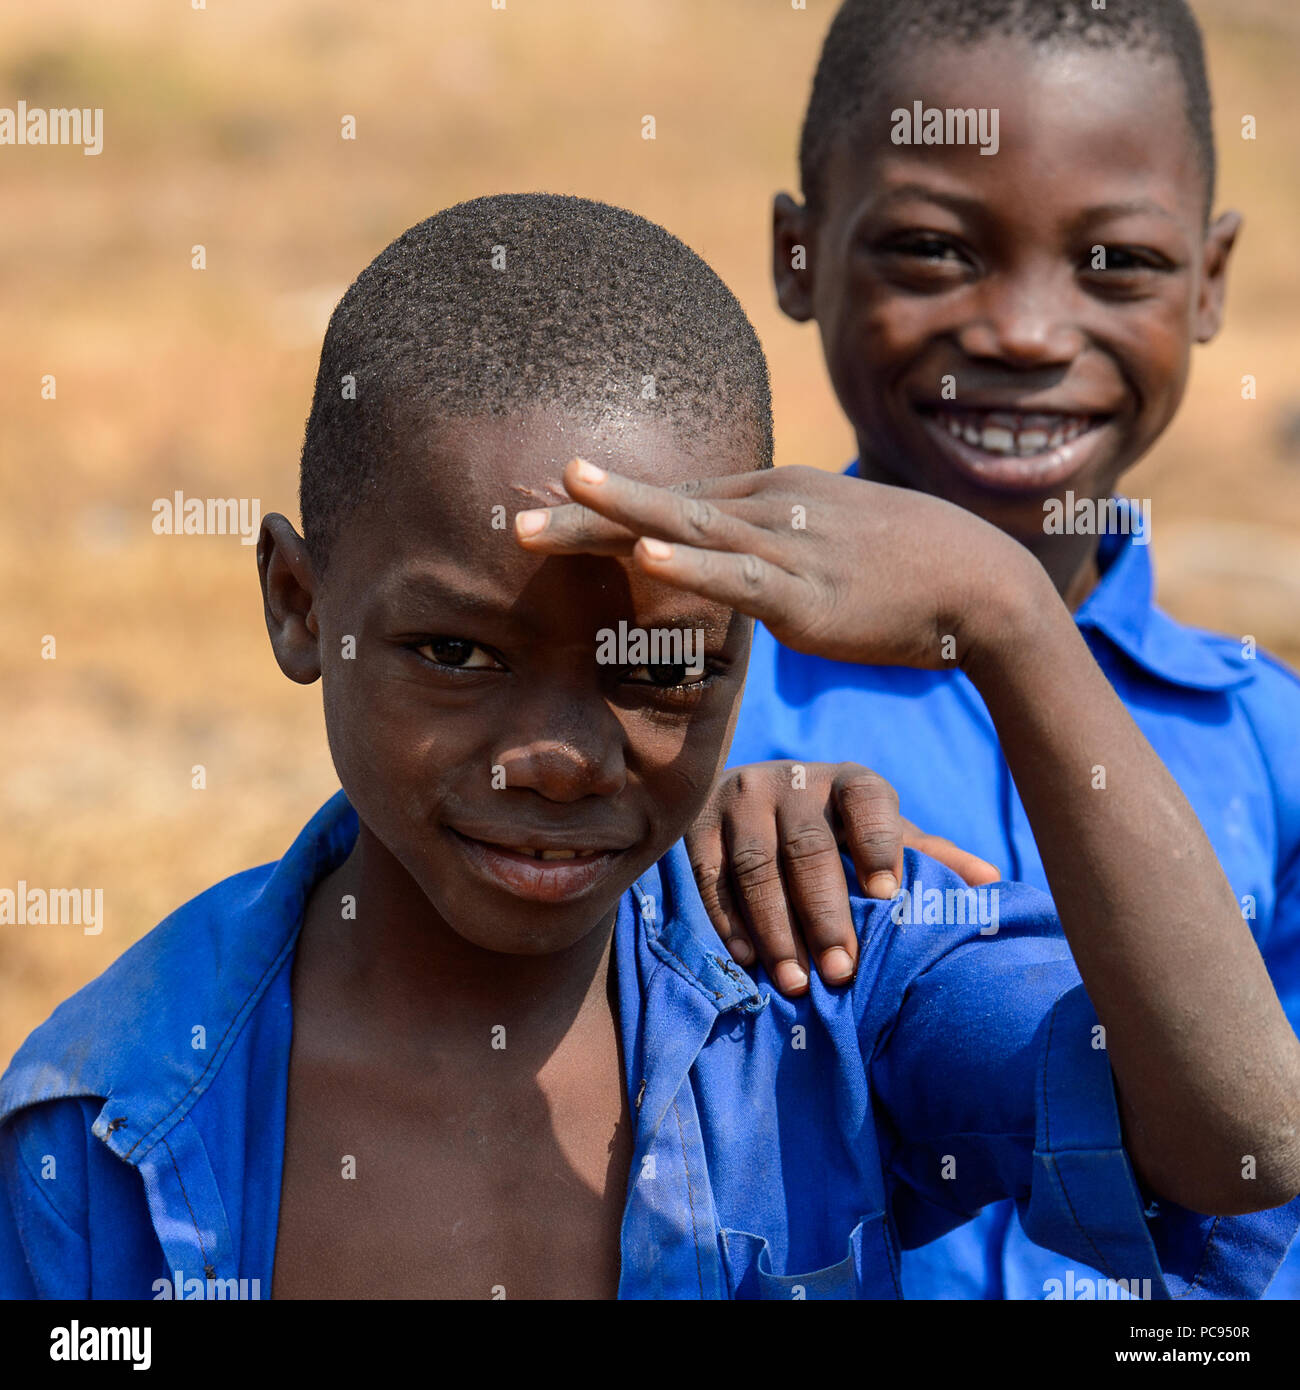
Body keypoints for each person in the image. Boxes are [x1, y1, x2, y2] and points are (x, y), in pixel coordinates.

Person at [3, 194, 1297, 1301]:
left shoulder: (830, 991)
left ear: (748, 647)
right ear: (297, 602)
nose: (562, 756)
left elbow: (1244, 1149)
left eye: (664, 669)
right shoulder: (110, 1125)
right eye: (457, 654)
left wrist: (1013, 622)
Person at [657, 0, 1300, 1299]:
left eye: (1116, 262)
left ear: (1213, 282)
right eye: (934, 249)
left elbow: (1266, 1176)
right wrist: (664, 846)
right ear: (799, 253)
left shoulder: (1272, 745)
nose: (1023, 330)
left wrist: (1006, 611)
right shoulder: (683, 697)